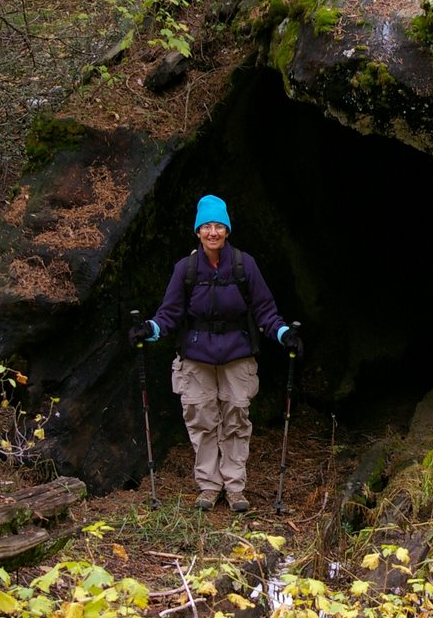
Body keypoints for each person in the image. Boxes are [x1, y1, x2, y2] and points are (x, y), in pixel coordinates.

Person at [129, 194, 303, 512]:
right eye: (206, 226)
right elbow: (169, 313)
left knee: (236, 417)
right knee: (201, 419)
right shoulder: (186, 269)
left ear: (227, 231)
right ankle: (209, 486)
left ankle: (235, 487)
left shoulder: (243, 264)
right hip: (196, 357)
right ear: (198, 232)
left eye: (219, 226)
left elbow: (265, 309)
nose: (213, 232)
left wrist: (283, 334)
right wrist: (149, 330)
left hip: (237, 354)